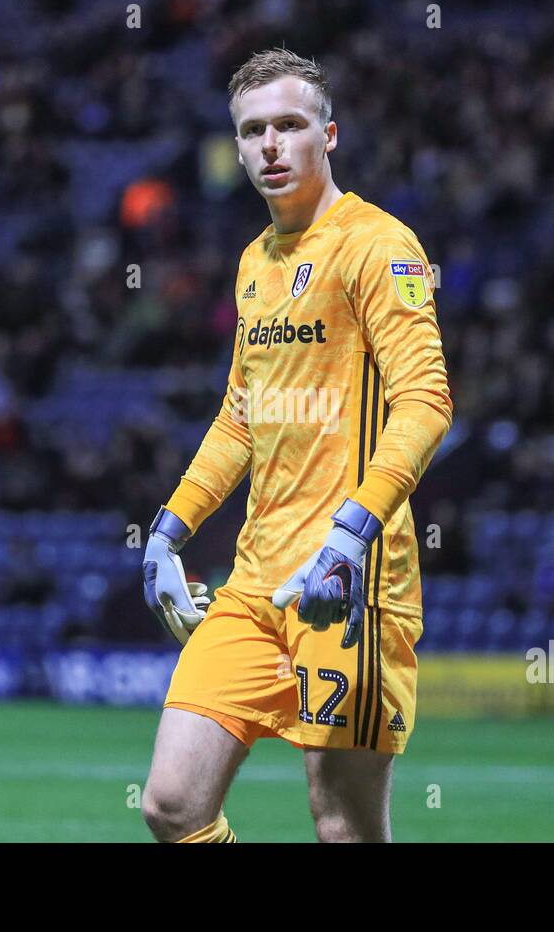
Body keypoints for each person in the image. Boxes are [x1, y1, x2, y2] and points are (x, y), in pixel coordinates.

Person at [139, 48, 453, 842]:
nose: (271, 145)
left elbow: (426, 401)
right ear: (237, 148)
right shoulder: (256, 263)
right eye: (253, 131)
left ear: (330, 134)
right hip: (253, 582)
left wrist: (352, 533)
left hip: (350, 585)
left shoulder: (378, 245)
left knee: (342, 825)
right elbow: (241, 417)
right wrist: (169, 529)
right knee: (173, 806)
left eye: (289, 124)